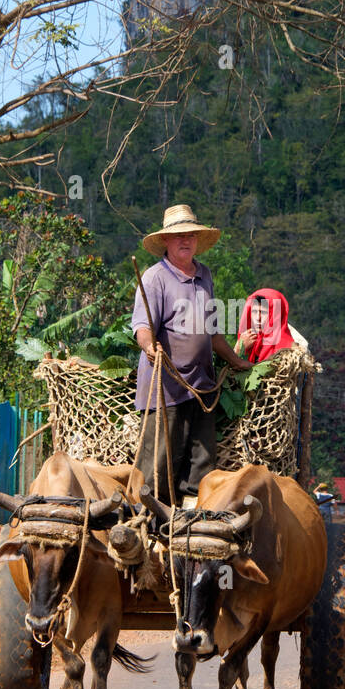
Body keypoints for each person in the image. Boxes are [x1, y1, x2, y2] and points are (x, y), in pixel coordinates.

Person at [131, 204, 252, 508]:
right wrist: (149, 347)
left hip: (201, 386)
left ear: (198, 240)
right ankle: (148, 524)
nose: (185, 240)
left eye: (190, 235)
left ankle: (192, 527)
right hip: (166, 388)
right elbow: (142, 327)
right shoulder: (155, 278)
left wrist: (236, 361)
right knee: (159, 464)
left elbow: (212, 333)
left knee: (201, 462)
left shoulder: (205, 276)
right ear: (167, 242)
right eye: (178, 236)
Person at [235, 288, 308, 364]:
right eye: (254, 311)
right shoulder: (249, 340)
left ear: (275, 315)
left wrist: (238, 350)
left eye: (263, 312)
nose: (257, 318)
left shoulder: (288, 352)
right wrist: (239, 348)